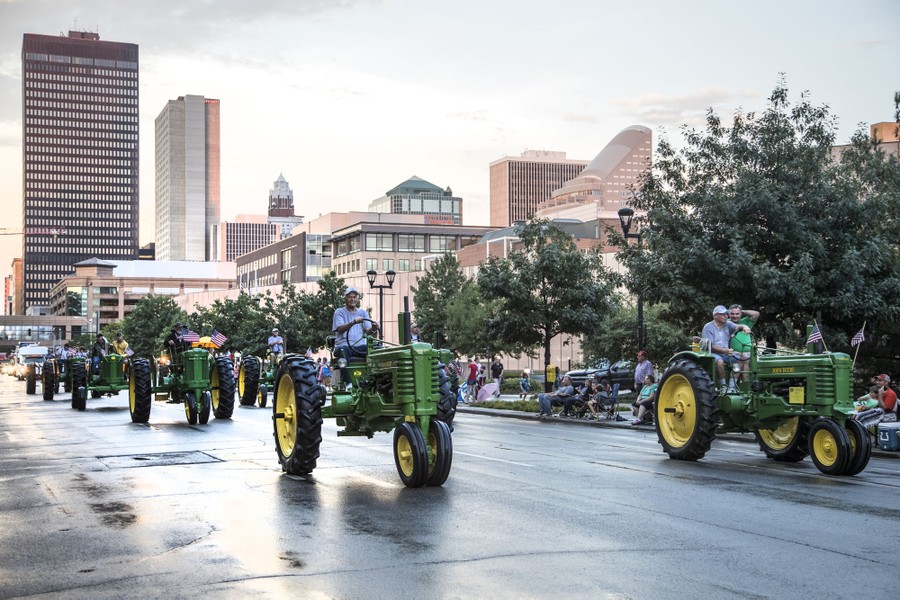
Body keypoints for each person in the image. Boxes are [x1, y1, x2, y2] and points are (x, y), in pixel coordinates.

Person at [701, 305, 751, 392]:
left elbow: (738, 326)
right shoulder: (708, 327)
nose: (726, 316)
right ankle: (723, 386)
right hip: (711, 353)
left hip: (725, 353)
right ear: (715, 316)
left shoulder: (727, 324)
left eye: (726, 314)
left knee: (741, 357)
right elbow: (711, 346)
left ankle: (732, 387)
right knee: (719, 361)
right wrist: (726, 351)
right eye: (723, 314)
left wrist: (744, 327)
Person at [332, 287, 378, 382]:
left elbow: (368, 330)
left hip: (360, 347)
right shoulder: (339, 312)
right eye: (349, 297)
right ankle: (348, 383)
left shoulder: (363, 312)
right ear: (345, 298)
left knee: (378, 349)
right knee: (342, 351)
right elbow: (340, 329)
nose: (352, 299)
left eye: (354, 297)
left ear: (357, 299)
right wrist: (352, 323)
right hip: (345, 346)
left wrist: (374, 327)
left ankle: (376, 381)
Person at [728, 305, 760, 383]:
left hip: (750, 353)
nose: (734, 316)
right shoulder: (727, 323)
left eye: (737, 314)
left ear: (741, 314)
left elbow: (756, 314)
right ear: (729, 314)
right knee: (743, 359)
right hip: (733, 352)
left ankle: (753, 384)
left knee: (758, 363)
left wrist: (741, 310)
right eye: (732, 314)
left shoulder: (746, 321)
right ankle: (743, 385)